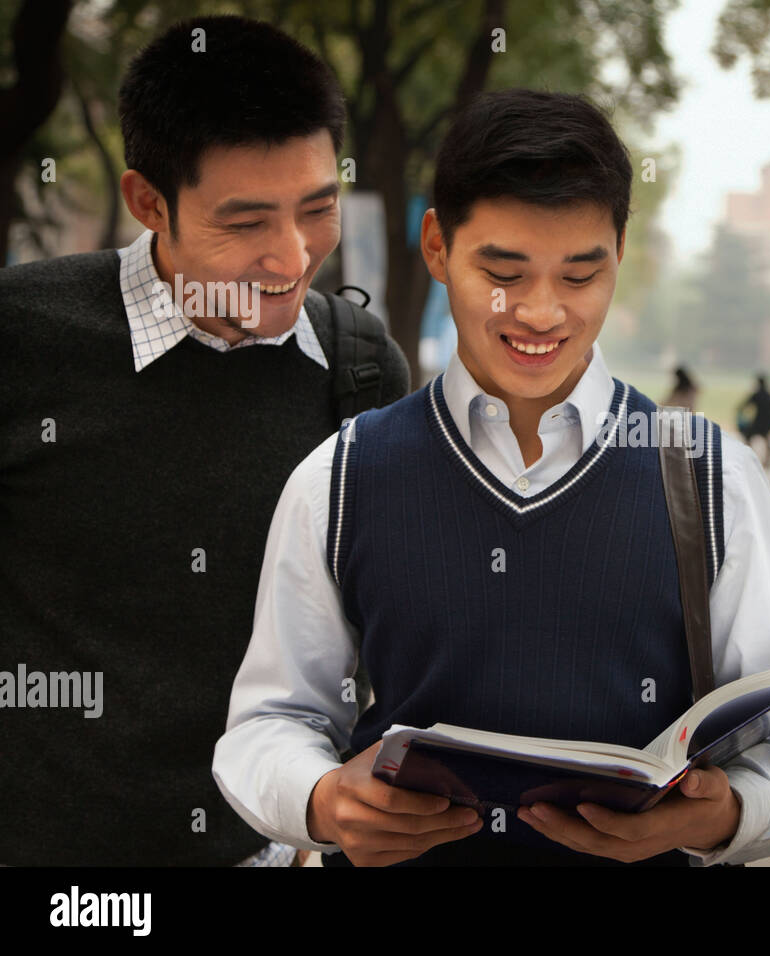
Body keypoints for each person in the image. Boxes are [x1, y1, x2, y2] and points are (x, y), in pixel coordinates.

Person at [213, 89, 770, 867]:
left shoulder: (709, 475)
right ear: (438, 246)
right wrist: (322, 799)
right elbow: (269, 721)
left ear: (620, 248)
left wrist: (724, 814)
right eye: (505, 272)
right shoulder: (341, 476)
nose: (543, 313)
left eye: (582, 276)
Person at [0, 16, 409, 867]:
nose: (292, 258)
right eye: (247, 222)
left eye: (317, 209)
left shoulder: (360, 369)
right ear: (148, 201)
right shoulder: (23, 339)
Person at [737, 373, 770, 467]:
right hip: (769, 423)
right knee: (767, 438)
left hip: (758, 423)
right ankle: (768, 458)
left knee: (748, 437)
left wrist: (739, 410)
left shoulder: (756, 395)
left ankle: (748, 456)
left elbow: (744, 405)